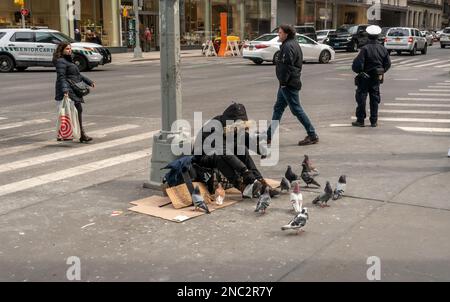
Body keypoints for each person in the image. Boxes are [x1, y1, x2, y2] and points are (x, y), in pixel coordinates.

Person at [193, 103, 279, 198]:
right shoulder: (213, 129)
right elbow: (225, 152)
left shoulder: (232, 127)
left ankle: (261, 182)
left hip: (222, 151)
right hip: (202, 158)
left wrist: (259, 149)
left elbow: (244, 138)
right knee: (219, 156)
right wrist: (245, 171)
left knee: (241, 149)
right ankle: (242, 186)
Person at [267, 24, 319, 146]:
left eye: (280, 33)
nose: (278, 35)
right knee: (278, 108)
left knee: (296, 109)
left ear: (286, 34)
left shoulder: (288, 46)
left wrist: (284, 82)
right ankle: (269, 135)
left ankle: (312, 135)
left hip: (288, 84)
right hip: (286, 83)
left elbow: (287, 67)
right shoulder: (292, 44)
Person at [53, 42, 95, 143]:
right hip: (68, 89)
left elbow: (77, 75)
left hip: (73, 88)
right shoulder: (61, 62)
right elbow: (61, 77)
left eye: (70, 49)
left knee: (70, 111)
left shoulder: (69, 60)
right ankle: (82, 135)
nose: (69, 50)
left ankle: (63, 133)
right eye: (67, 49)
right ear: (62, 50)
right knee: (74, 110)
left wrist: (89, 82)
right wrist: (65, 90)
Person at [351, 25, 391, 127]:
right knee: (374, 99)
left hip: (364, 77)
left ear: (368, 36)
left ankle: (360, 120)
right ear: (377, 36)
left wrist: (360, 72)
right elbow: (388, 64)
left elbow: (357, 64)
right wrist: (381, 71)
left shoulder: (365, 49)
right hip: (376, 77)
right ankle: (374, 121)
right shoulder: (383, 49)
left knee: (361, 99)